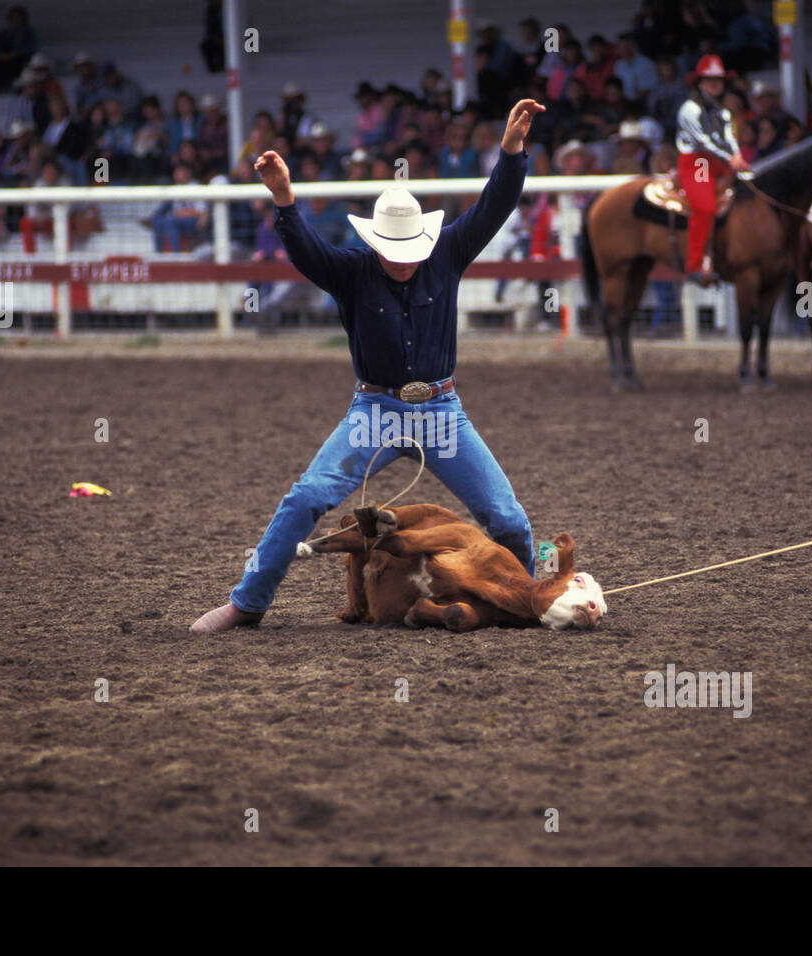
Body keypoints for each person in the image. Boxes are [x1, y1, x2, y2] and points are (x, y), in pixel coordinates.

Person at [189, 98, 547, 634]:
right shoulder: (353, 271)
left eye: (410, 250)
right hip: (375, 409)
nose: (403, 259)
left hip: (440, 410)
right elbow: (307, 252)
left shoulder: (447, 253)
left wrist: (512, 150)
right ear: (375, 244)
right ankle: (248, 603)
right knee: (307, 497)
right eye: (392, 249)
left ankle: (530, 593)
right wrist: (284, 199)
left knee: (508, 518)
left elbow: (494, 206)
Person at [675, 54, 751, 287]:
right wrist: (730, 157)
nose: (715, 84)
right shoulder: (690, 109)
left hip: (717, 160)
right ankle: (694, 265)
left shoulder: (722, 111)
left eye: (717, 80)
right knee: (705, 207)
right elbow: (701, 141)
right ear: (700, 82)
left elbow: (728, 136)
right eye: (709, 80)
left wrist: (737, 156)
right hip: (696, 161)